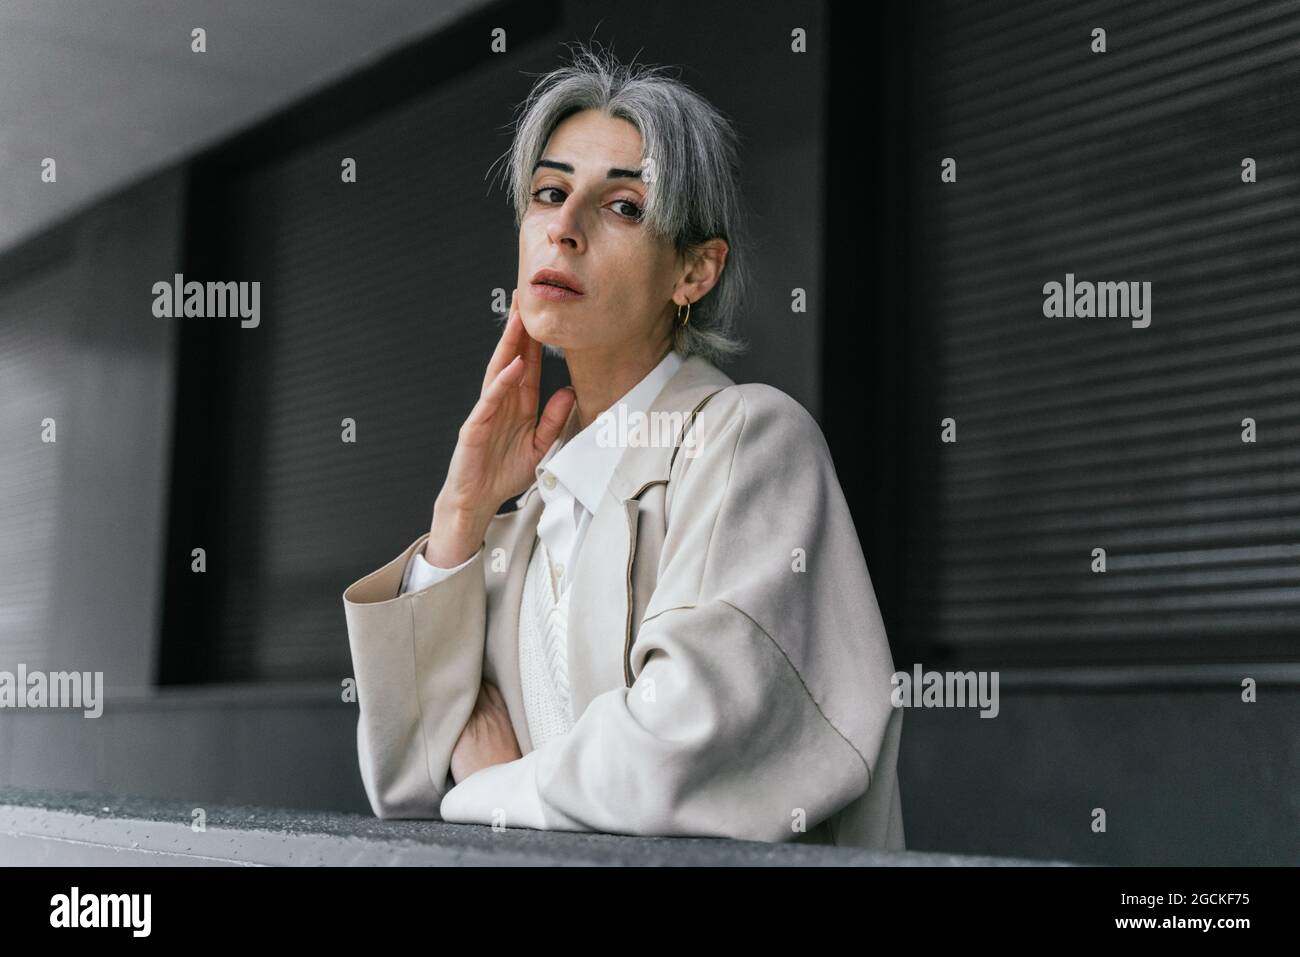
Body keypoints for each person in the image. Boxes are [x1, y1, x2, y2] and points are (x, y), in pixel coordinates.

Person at [341, 43, 905, 849]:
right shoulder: (529, 518)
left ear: (695, 271)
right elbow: (407, 782)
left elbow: (678, 753)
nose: (564, 228)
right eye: (548, 192)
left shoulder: (749, 439)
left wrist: (494, 788)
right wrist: (461, 514)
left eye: (623, 207)